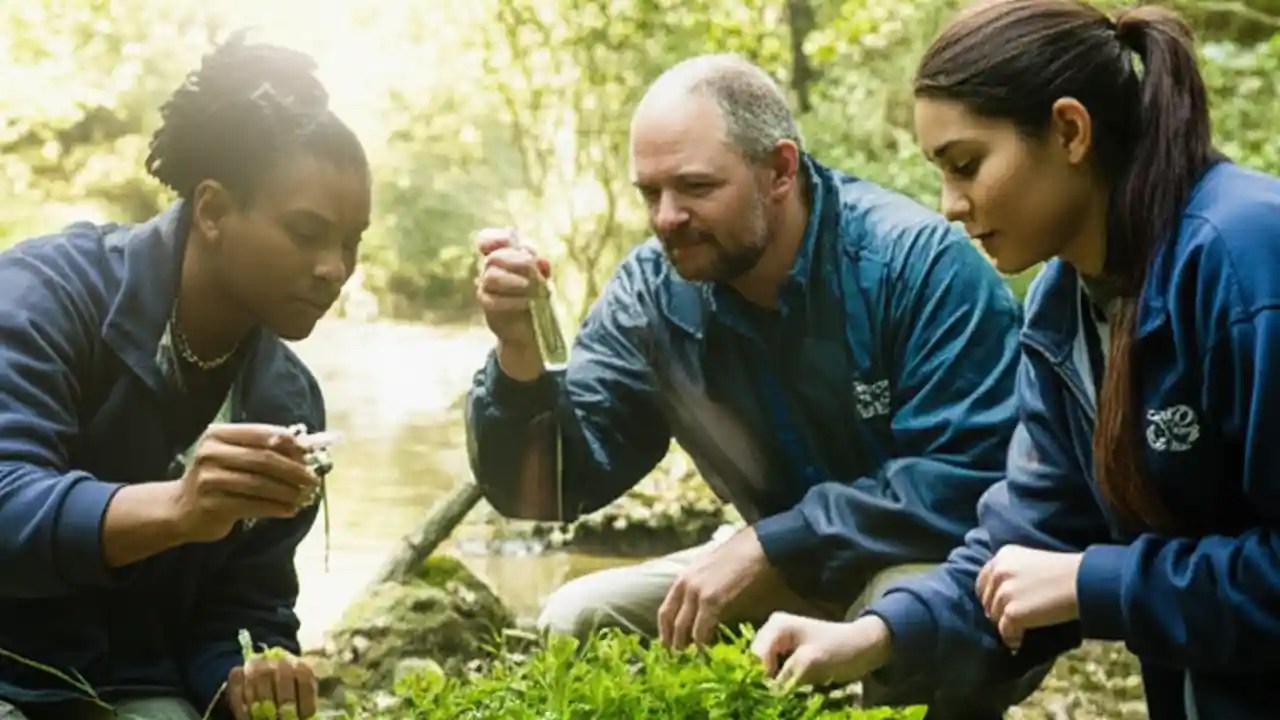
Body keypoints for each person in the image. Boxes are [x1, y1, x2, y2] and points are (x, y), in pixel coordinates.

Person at [751, 1, 1280, 718]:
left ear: (1069, 131)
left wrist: (1099, 582)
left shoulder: (1246, 258)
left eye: (966, 164)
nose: (949, 205)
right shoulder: (1062, 306)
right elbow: (1024, 542)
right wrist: (872, 636)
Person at [465, 53, 1023, 667]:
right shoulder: (651, 296)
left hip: (941, 567)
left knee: (890, 608)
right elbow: (558, 486)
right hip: (786, 564)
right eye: (650, 192)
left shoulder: (916, 264)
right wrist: (517, 355)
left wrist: (774, 542)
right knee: (578, 622)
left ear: (780, 171)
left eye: (696, 188)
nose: (666, 218)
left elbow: (970, 477)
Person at [0, 33, 370, 720]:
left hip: (139, 691)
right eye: (306, 233)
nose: (335, 269)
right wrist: (176, 509)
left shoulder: (289, 399)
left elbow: (245, 607)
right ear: (213, 211)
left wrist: (249, 675)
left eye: (351, 243)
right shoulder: (45, 294)